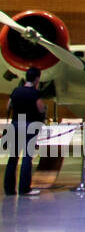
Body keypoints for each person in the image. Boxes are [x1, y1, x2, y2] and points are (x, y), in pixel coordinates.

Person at [5, 68, 46, 196]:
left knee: (13, 158)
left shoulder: (16, 91)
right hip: (29, 125)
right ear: (36, 79)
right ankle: (24, 188)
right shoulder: (35, 93)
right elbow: (40, 109)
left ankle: (9, 189)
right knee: (27, 158)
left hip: (16, 124)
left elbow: (8, 106)